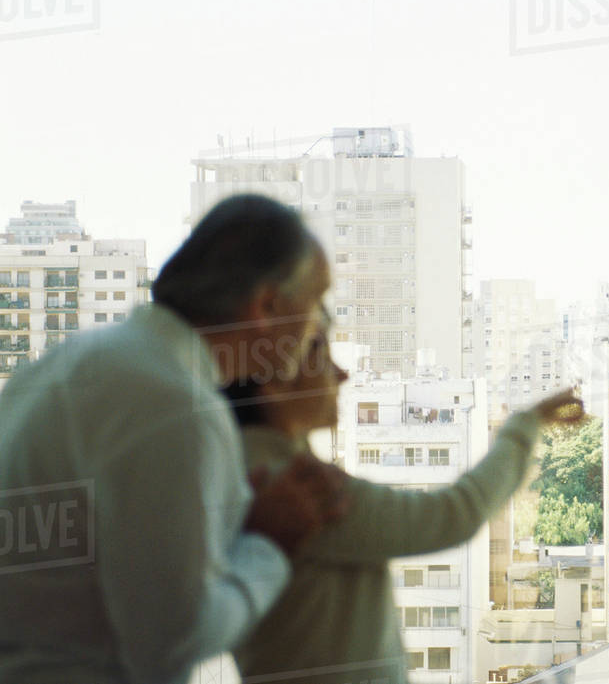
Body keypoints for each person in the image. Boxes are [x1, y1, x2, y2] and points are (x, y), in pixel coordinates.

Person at [0, 194, 349, 684]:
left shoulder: (79, 362)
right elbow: (173, 645)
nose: (319, 324)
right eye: (316, 302)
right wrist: (269, 542)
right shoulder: (176, 405)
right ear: (267, 306)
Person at [226, 312, 586, 684]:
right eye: (320, 355)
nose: (342, 374)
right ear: (274, 382)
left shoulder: (239, 470)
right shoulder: (296, 489)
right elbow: (454, 514)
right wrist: (524, 426)